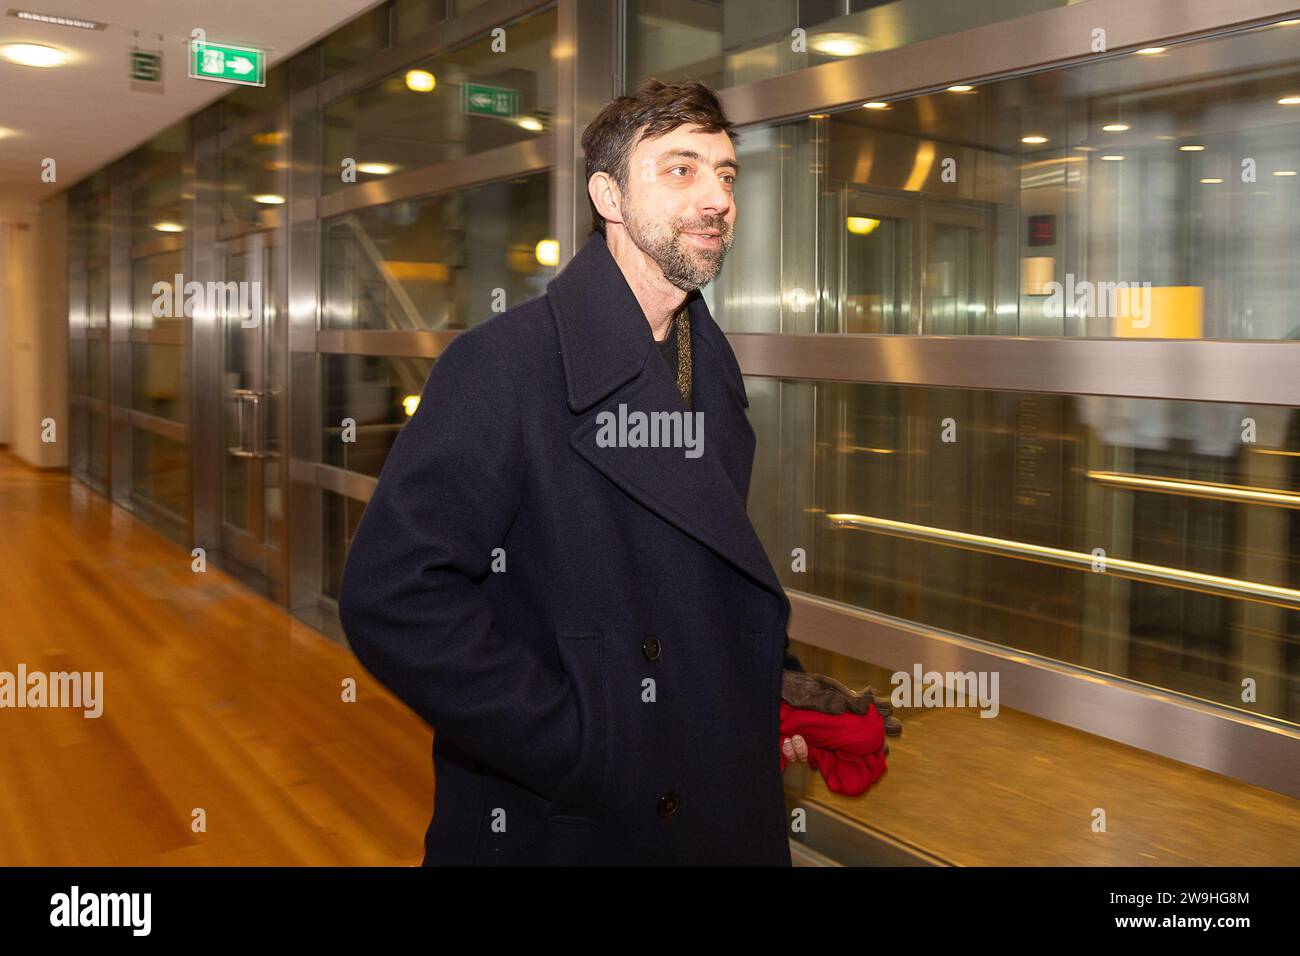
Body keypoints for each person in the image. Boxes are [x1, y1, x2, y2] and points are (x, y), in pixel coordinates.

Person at [338, 78, 808, 866]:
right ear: (609, 196)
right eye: (681, 169)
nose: (718, 197)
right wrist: (583, 740)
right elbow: (392, 595)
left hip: (712, 792)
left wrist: (774, 681)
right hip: (572, 821)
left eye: (727, 174)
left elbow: (705, 572)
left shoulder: (712, 370)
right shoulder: (502, 366)